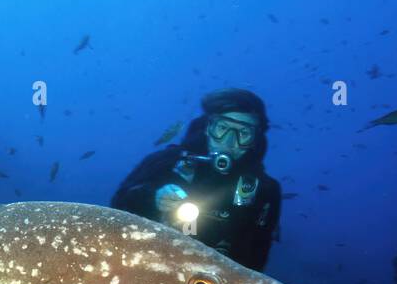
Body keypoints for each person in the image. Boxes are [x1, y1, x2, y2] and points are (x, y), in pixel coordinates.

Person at [111, 88, 283, 271]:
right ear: (208, 127)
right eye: (223, 128)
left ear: (255, 140)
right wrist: (153, 198)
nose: (230, 142)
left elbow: (256, 259)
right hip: (141, 269)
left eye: (244, 133)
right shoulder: (165, 163)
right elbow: (116, 208)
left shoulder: (266, 191)